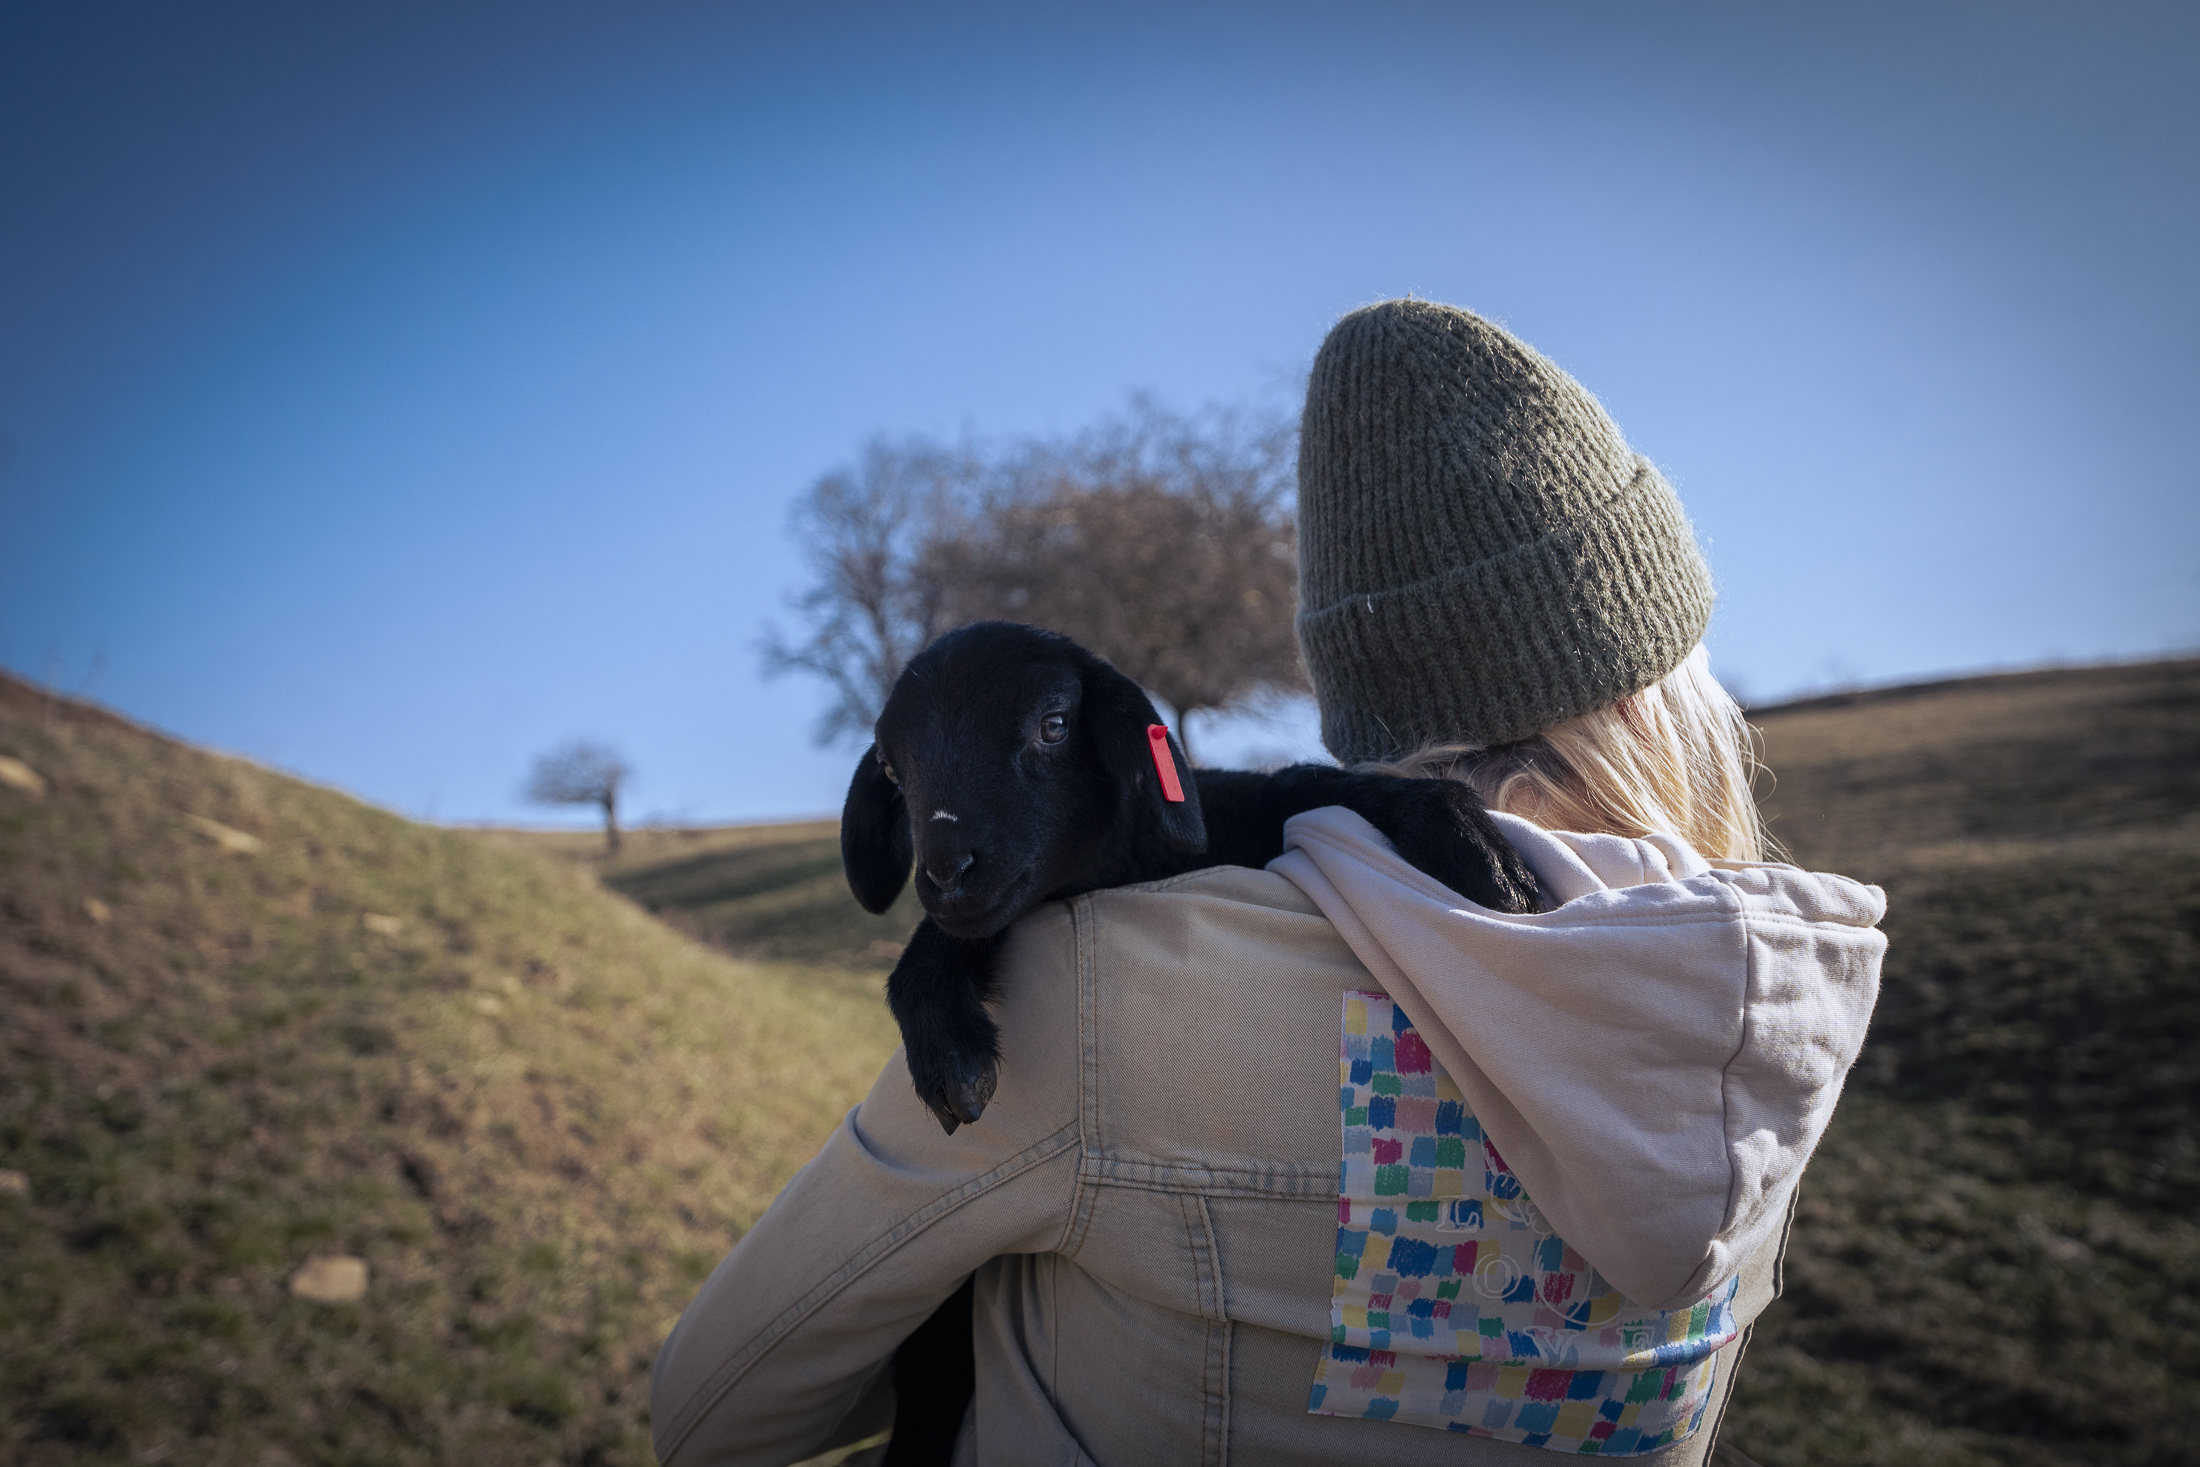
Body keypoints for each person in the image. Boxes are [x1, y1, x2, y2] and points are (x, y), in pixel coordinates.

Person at [651, 299, 1886, 1465]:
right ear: (1659, 689)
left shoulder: (1094, 989)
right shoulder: (1765, 1019)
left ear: (1364, 692)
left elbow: (716, 1409)